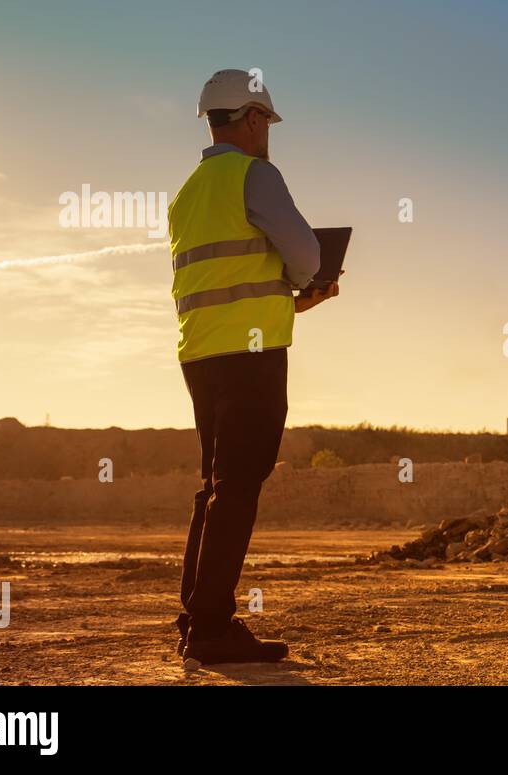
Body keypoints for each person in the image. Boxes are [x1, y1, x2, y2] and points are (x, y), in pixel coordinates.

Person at [169, 68, 338, 664]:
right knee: (239, 486)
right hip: (251, 355)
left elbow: (221, 282)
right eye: (265, 120)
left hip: (202, 353)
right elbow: (305, 252)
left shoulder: (187, 194)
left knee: (216, 485)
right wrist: (308, 281)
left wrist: (292, 301)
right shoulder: (255, 175)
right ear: (250, 118)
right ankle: (212, 628)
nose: (268, 132)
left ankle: (196, 619)